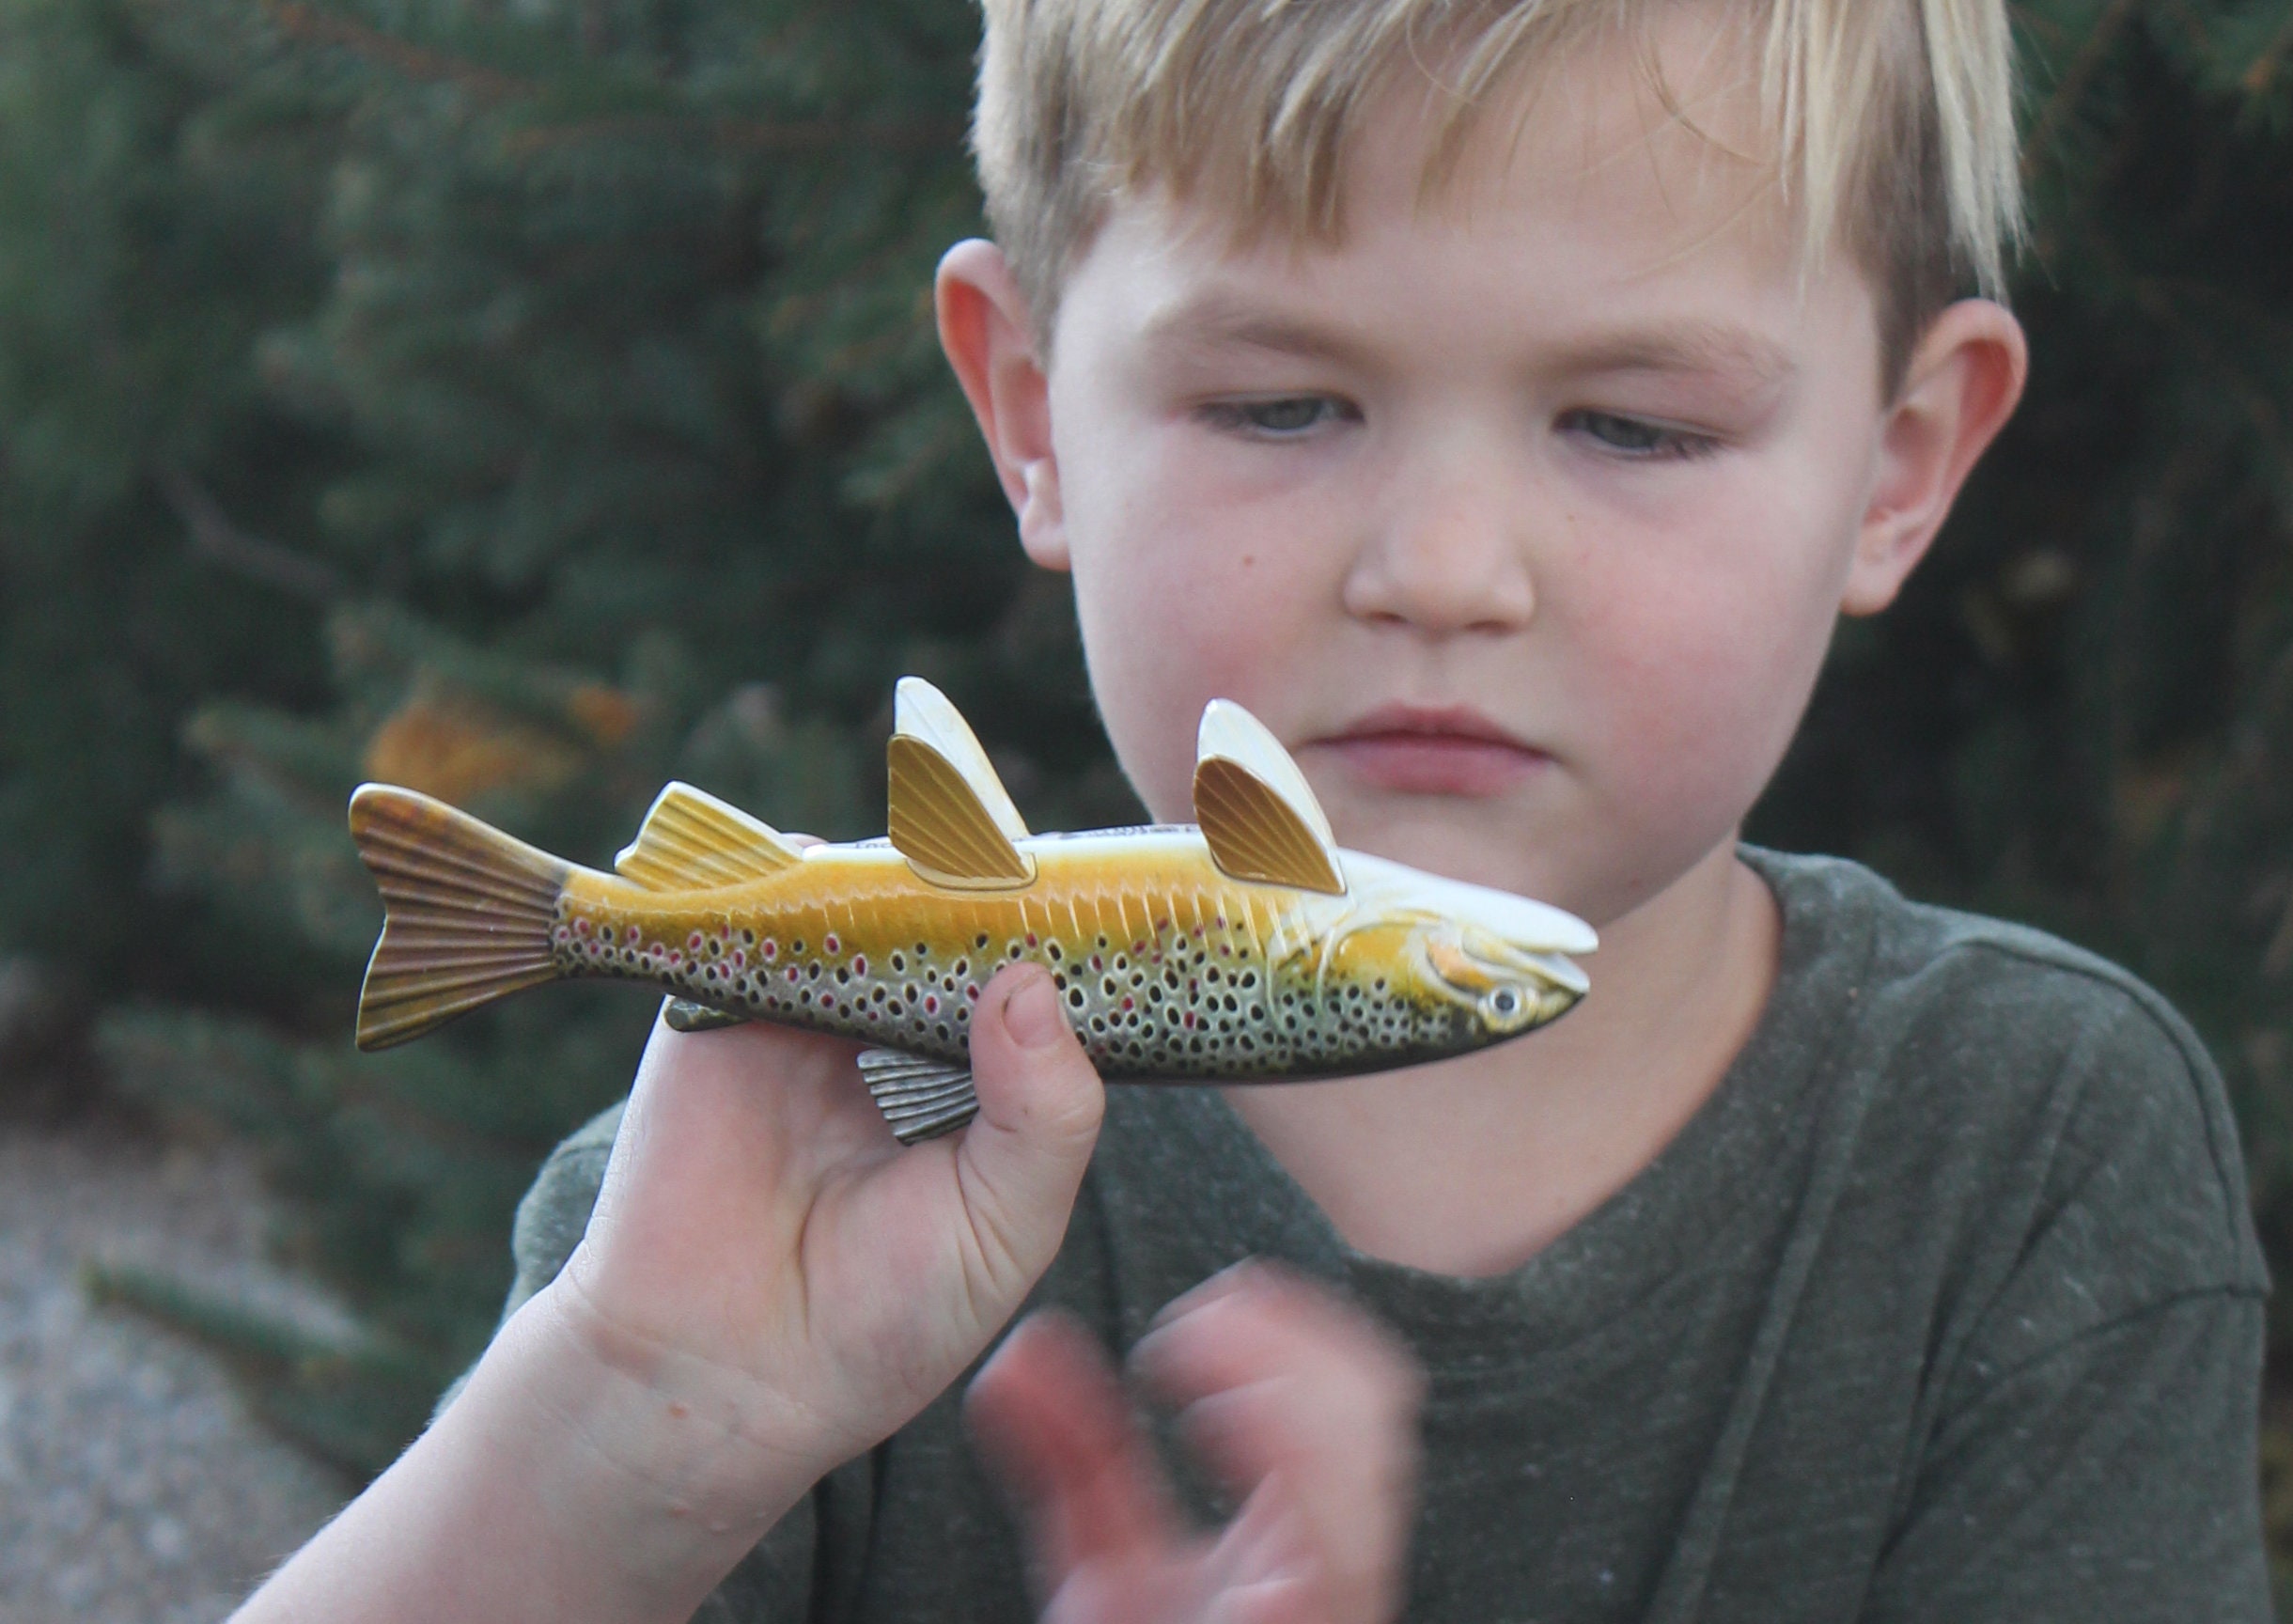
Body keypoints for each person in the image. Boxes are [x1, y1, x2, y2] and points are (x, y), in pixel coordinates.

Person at [231, 1, 2273, 1619]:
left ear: (1898, 464)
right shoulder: (772, 1183)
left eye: (1632, 423)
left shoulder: (2027, 1156)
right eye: (1278, 403)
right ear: (1032, 416)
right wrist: (618, 1424)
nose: (1444, 566)